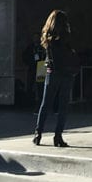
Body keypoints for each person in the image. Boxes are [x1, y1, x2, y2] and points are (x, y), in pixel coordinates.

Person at [34, 10, 78, 148]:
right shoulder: (66, 35)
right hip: (66, 72)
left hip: (52, 71)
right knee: (63, 105)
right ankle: (58, 136)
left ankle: (38, 133)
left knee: (45, 103)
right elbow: (71, 52)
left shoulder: (48, 36)